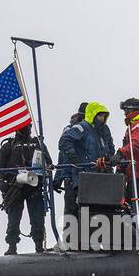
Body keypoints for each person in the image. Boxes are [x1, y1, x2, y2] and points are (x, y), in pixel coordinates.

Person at [55, 101, 115, 239]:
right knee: (82, 210)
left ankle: (98, 240)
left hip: (102, 177)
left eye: (104, 116)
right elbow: (64, 141)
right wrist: (77, 160)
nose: (102, 119)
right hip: (85, 177)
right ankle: (76, 241)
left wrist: (110, 159)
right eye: (100, 116)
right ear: (93, 115)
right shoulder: (82, 128)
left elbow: (110, 148)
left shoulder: (104, 130)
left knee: (102, 210)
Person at [0, 125, 51, 254]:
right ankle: (12, 245)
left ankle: (38, 245)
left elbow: (49, 164)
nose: (26, 129)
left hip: (34, 186)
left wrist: (45, 169)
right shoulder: (8, 146)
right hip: (15, 187)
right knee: (13, 218)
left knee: (37, 218)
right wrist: (1, 182)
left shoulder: (38, 144)